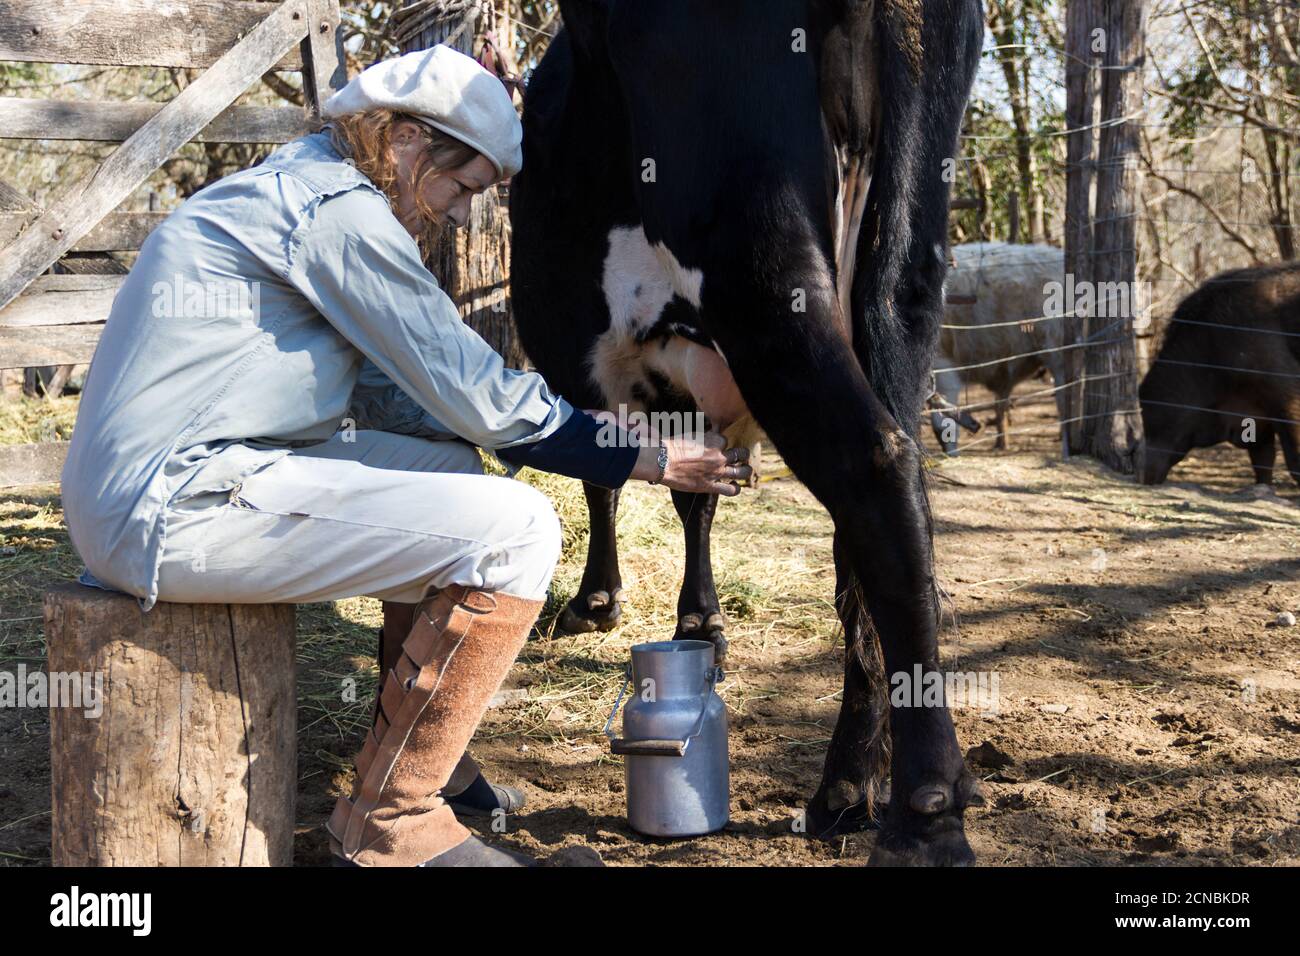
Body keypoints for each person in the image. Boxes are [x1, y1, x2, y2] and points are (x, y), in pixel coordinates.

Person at [60, 46, 750, 867]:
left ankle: (433, 765)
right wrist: (644, 455)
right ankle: (394, 822)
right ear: (405, 142)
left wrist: (510, 434)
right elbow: (471, 386)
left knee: (447, 461)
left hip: (202, 471)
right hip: (170, 502)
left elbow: (413, 399)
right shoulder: (339, 217)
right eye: (462, 187)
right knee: (520, 531)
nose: (460, 214)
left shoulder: (311, 188)